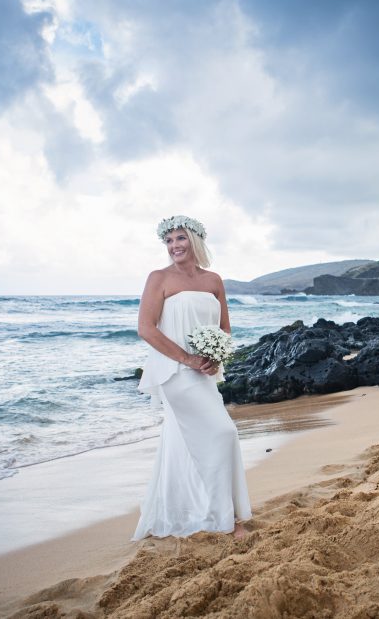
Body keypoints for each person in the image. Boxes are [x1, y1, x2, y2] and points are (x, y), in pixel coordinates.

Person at [132, 215, 251, 540]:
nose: (174, 246)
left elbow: (224, 328)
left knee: (188, 443)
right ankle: (227, 519)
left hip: (204, 372)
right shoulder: (159, 278)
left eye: (180, 238)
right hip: (174, 372)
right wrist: (186, 358)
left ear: (195, 240)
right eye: (169, 241)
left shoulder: (213, 280)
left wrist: (216, 357)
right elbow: (146, 328)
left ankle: (189, 513)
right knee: (222, 433)